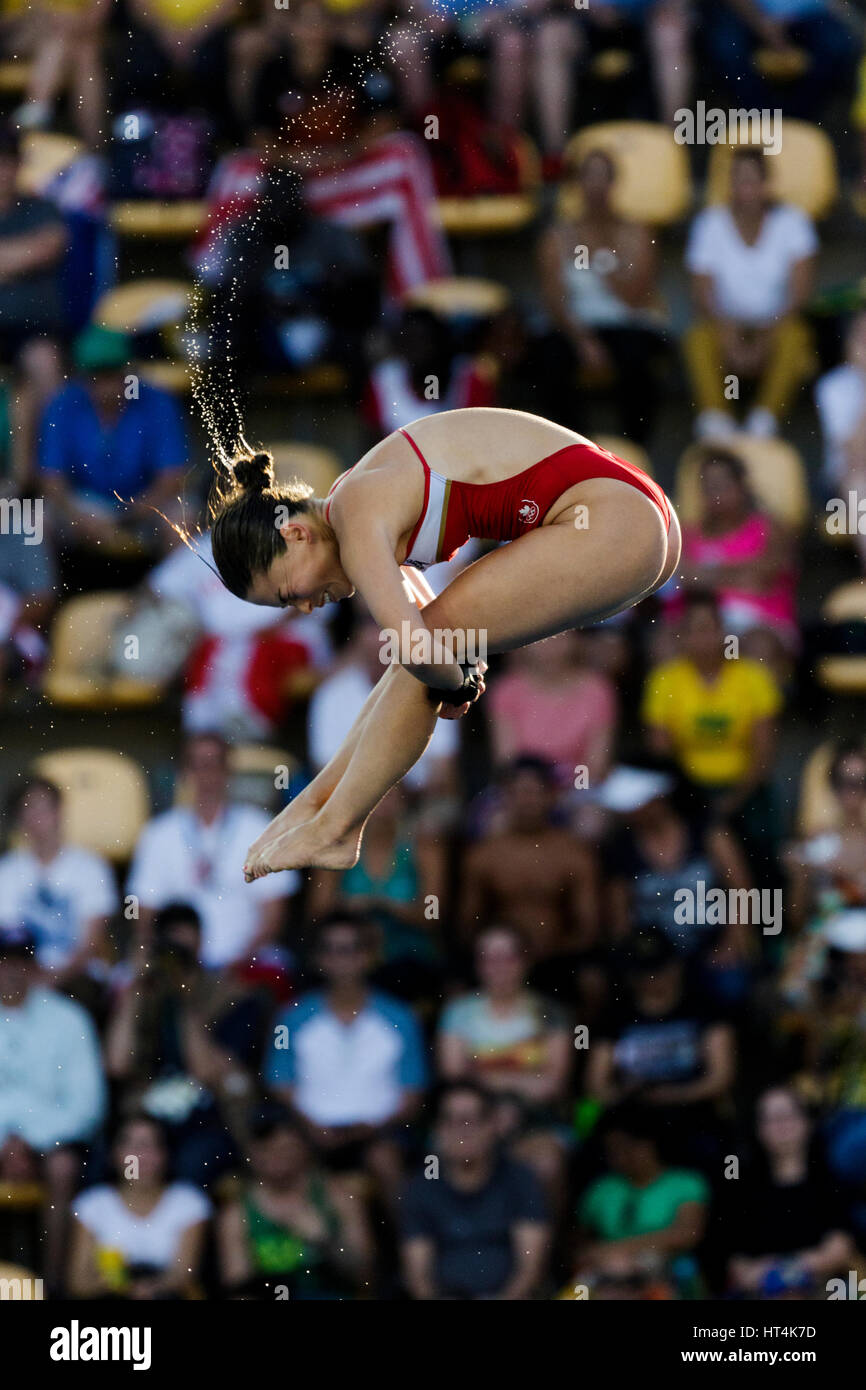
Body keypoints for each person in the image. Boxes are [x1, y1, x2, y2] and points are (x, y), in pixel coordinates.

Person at [206, 406, 679, 877]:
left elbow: (420, 653)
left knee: (420, 655)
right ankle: (317, 805)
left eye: (290, 594)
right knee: (423, 655)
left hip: (613, 520)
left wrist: (454, 680)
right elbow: (423, 624)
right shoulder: (353, 499)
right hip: (635, 512)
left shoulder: (355, 514)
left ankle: (338, 825)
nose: (306, 608)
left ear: (296, 533)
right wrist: (457, 672)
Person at [265, 911, 427, 1194]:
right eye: (331, 950)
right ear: (318, 959)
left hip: (380, 1133)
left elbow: (412, 1093)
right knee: (282, 1155)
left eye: (351, 950)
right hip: (309, 1132)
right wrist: (311, 1126)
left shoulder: (401, 1017)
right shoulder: (291, 1018)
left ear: (368, 956)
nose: (342, 959)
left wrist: (371, 1128)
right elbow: (279, 1083)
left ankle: (408, 1238)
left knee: (386, 1160)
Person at [126, 732, 296, 970]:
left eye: (214, 763)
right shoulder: (158, 833)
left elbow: (274, 913)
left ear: (228, 771)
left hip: (246, 961)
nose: (206, 774)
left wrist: (238, 963)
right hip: (177, 964)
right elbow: (144, 911)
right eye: (197, 765)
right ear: (185, 773)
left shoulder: (260, 828)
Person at [642, 588, 783, 873]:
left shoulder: (754, 678)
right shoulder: (665, 681)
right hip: (687, 791)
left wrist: (733, 799)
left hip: (745, 787)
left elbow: (764, 752)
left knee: (761, 846)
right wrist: (692, 800)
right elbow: (660, 751)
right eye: (695, 629)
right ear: (681, 636)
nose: (704, 638)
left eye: (711, 628)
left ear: (725, 632)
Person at [684, 146, 817, 439]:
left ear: (767, 184)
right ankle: (716, 420)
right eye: (737, 179)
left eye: (752, 179)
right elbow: (703, 293)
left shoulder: (793, 223)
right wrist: (726, 332)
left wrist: (767, 335)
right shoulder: (709, 223)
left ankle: (764, 420)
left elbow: (800, 295)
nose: (745, 187)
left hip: (778, 323)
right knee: (696, 340)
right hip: (725, 323)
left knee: (797, 337)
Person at [536, 148, 669, 443]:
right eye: (588, 177)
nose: (595, 186)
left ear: (614, 183)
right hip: (575, 327)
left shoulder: (638, 232)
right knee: (551, 359)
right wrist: (582, 340)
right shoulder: (557, 237)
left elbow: (637, 298)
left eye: (602, 177)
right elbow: (554, 300)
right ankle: (571, 447)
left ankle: (636, 447)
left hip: (628, 325)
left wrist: (603, 261)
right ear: (578, 185)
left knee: (638, 360)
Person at [38, 325, 189, 580]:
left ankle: (170, 605)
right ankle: (46, 607)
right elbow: (51, 479)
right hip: (83, 507)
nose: (104, 383)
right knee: (35, 520)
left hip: (143, 505)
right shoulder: (64, 403)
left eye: (112, 373)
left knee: (183, 517)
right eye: (95, 375)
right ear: (82, 376)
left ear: (128, 370)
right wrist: (78, 515)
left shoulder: (157, 402)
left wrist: (126, 516)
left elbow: (172, 478)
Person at [0, 925, 106, 1285]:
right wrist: (6, 1141)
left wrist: (26, 1141)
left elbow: (88, 1105)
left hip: (50, 1144)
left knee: (64, 1168)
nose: (11, 971)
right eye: (2, 962)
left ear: (34, 966)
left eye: (19, 962)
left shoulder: (68, 1018)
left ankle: (53, 1284)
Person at [436, 924, 573, 1199]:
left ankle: (543, 1241)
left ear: (525, 961)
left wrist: (484, 1077)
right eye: (488, 958)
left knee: (547, 1164)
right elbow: (453, 1077)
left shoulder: (550, 1013)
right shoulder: (458, 1013)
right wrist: (517, 1084)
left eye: (507, 957)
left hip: (535, 1121)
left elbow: (553, 1084)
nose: (498, 967)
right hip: (471, 1120)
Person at [585, 929, 737, 1167]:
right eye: (645, 972)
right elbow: (595, 1086)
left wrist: (672, 1095)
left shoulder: (704, 1006)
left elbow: (721, 1076)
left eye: (659, 969)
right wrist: (626, 1093)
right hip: (632, 1117)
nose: (653, 979)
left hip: (692, 1114)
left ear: (676, 966)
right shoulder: (615, 1015)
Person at [399, 1081, 550, 1300]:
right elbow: (418, 1277)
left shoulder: (520, 1180)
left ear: (492, 1125)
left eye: (471, 1120)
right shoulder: (421, 1187)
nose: (463, 1131)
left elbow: (530, 1270)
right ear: (438, 1129)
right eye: (453, 1121)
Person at [217, 1104, 373, 1298]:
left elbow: (364, 1277)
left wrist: (325, 1241)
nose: (274, 1158)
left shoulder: (338, 1198)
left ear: (303, 1148)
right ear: (251, 1154)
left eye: (284, 1148)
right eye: (266, 1149)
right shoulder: (237, 1214)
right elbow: (238, 1290)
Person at [458, 756, 599, 971]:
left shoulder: (574, 854)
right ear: (504, 797)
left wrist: (553, 955)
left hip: (561, 964)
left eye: (534, 792)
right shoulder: (483, 856)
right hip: (498, 967)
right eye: (517, 793)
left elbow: (588, 927)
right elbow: (468, 925)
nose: (526, 801)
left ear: (551, 796)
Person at [671, 445, 799, 672]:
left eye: (721, 485)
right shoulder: (687, 535)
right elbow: (683, 577)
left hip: (761, 623)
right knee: (665, 642)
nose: (714, 494)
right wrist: (740, 572)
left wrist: (705, 574)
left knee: (758, 646)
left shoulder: (769, 529)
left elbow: (762, 577)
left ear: (742, 487)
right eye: (708, 487)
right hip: (701, 625)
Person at [721, 1087, 854, 1297]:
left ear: (807, 1122)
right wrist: (801, 1267)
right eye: (771, 1118)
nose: (781, 1124)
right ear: (759, 1130)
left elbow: (839, 1251)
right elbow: (739, 1267)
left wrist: (776, 1271)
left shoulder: (830, 1181)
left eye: (788, 1114)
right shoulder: (743, 1191)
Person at [67, 1114, 210, 1300]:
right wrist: (123, 1288)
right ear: (112, 1154)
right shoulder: (92, 1204)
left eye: (149, 1145)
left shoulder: (189, 1202)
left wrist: (151, 1288)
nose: (139, 1156)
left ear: (166, 1153)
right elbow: (78, 1283)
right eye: (131, 1146)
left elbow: (184, 1274)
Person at [573, 1103, 709, 1298]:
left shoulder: (685, 1183)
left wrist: (618, 1250)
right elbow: (580, 1241)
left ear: (647, 1145)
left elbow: (687, 1233)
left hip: (663, 1269)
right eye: (611, 1150)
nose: (617, 1158)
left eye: (624, 1148)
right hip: (606, 1270)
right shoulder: (602, 1188)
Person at [0, 776, 115, 986]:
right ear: (19, 818)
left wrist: (54, 978)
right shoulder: (5, 871)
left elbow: (92, 943)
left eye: (43, 808)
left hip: (79, 978)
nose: (37, 818)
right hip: (20, 980)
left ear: (59, 811)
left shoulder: (91, 867)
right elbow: (8, 941)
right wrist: (33, 979)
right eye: (29, 809)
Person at [0, 122, 65, 489]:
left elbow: (48, 247)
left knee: (45, 364)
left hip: (32, 330)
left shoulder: (41, 208)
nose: (1, 171)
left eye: (7, 162)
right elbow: (33, 252)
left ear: (18, 165)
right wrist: (19, 258)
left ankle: (49, 479)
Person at [487, 630, 618, 787]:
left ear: (576, 639)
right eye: (541, 637)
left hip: (579, 792)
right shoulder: (506, 690)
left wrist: (563, 788)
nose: (549, 646)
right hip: (522, 792)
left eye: (559, 636)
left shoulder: (598, 690)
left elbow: (597, 767)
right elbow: (507, 763)